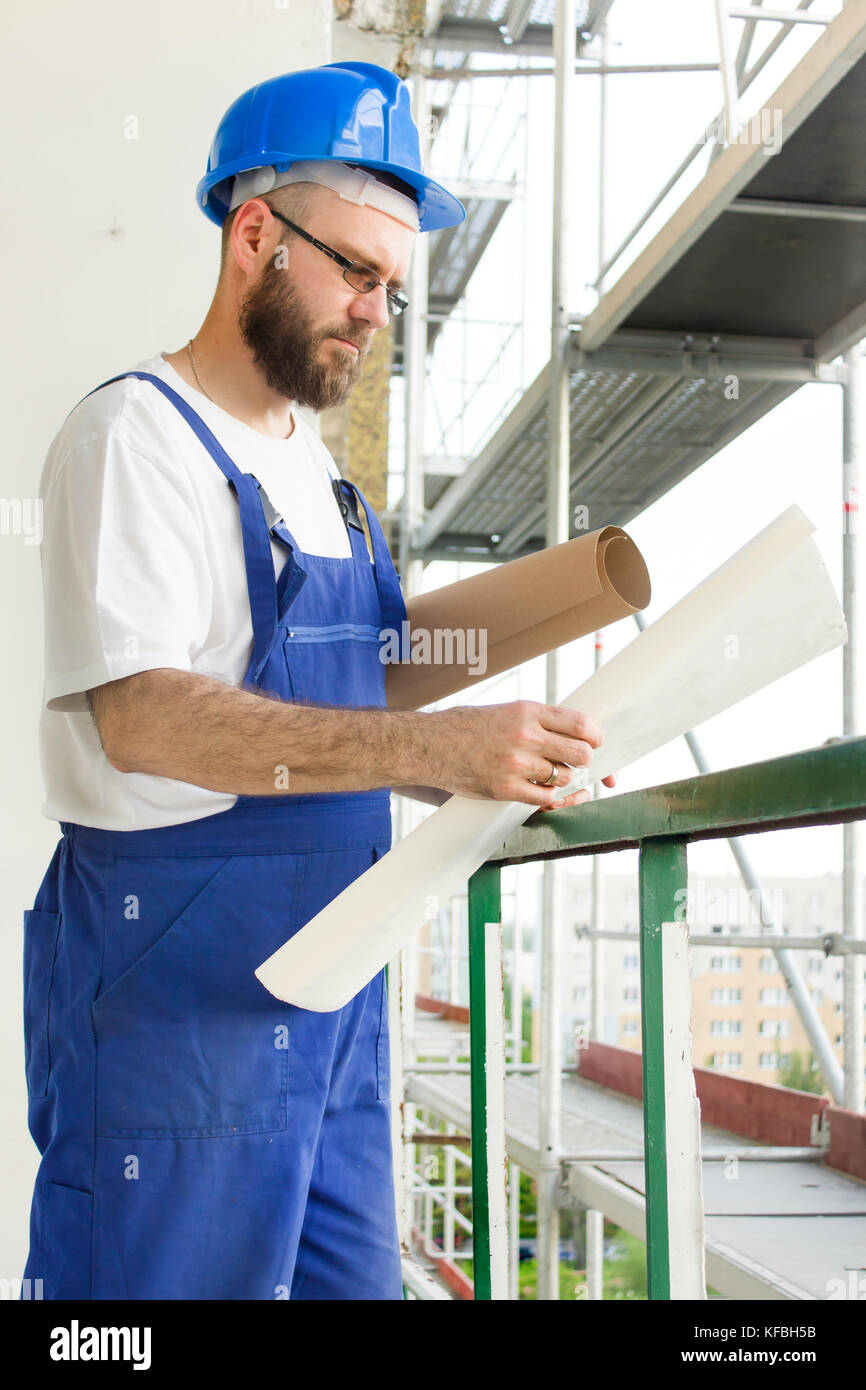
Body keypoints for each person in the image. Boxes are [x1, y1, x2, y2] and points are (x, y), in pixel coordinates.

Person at [21, 61, 616, 1301]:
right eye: (355, 271)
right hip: (176, 1001)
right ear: (254, 235)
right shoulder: (137, 438)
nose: (373, 314)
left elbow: (364, 683)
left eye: (391, 287)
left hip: (332, 987)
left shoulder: (323, 480)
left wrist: (546, 677)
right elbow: (143, 716)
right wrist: (441, 751)